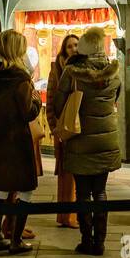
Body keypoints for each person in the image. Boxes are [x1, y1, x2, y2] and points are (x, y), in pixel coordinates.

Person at [49, 26, 123, 256]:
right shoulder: (114, 72)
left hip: (80, 139)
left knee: (82, 193)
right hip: (106, 138)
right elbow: (115, 99)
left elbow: (59, 105)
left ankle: (86, 240)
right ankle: (100, 242)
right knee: (100, 191)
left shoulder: (72, 73)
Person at [0, 29, 43, 254]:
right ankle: (16, 240)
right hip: (16, 140)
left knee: (0, 190)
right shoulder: (20, 78)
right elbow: (27, 113)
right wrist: (37, 102)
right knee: (25, 191)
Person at [47, 33, 80, 227]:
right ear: (64, 49)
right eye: (70, 46)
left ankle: (70, 215)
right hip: (63, 126)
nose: (74, 49)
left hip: (78, 126)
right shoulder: (57, 69)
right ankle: (66, 216)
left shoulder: (81, 67)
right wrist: (54, 127)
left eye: (77, 45)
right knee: (65, 173)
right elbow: (51, 98)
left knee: (76, 172)